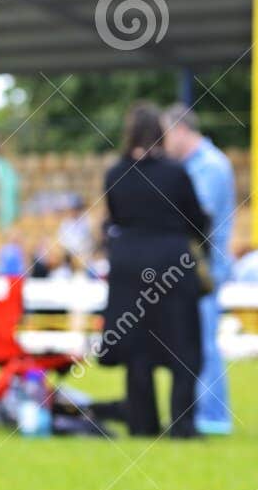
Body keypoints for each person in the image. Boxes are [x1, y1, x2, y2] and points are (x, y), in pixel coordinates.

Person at [99, 102, 209, 439]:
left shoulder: (115, 173)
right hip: (171, 263)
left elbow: (114, 219)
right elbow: (198, 220)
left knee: (137, 348)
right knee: (183, 345)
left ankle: (142, 423)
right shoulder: (175, 172)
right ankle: (182, 424)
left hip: (129, 265)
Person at [162, 105, 235, 435]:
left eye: (165, 135)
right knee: (193, 342)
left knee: (204, 343)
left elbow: (196, 214)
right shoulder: (195, 165)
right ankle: (201, 412)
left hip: (205, 270)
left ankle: (214, 416)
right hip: (191, 268)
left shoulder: (211, 166)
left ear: (179, 130)